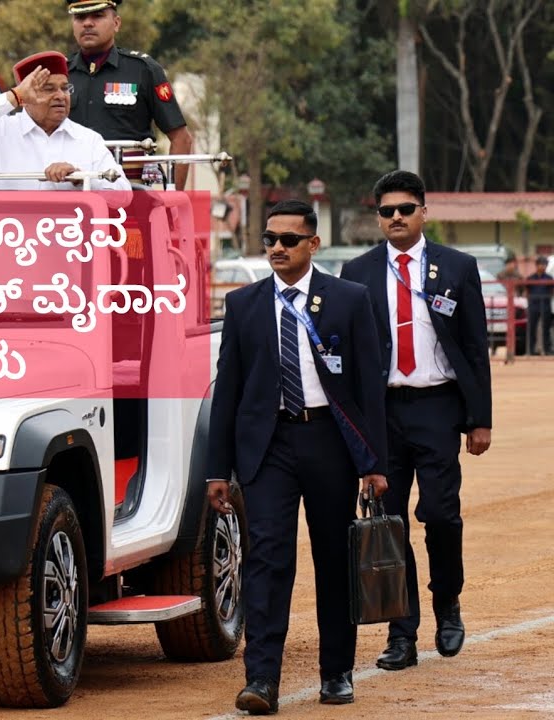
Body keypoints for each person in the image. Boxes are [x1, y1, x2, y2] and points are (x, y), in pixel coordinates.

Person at [208, 200, 388, 714]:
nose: (277, 249)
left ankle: (337, 673)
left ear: (313, 244)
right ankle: (261, 679)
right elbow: (229, 394)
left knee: (334, 557)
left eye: (288, 240)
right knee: (266, 560)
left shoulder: (349, 300)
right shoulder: (244, 304)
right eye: (269, 240)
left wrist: (374, 463)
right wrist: (218, 469)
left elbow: (368, 390)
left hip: (330, 441)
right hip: (269, 448)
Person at [340, 170, 491, 671]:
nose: (397, 218)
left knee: (442, 515)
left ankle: (447, 603)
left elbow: (474, 348)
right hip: (381, 414)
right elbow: (349, 353)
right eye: (388, 211)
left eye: (406, 209)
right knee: (389, 523)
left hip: (437, 406)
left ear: (424, 212)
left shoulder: (457, 267)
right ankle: (401, 633)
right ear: (378, 217)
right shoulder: (357, 272)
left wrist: (479, 419)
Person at [0, 52, 130, 191]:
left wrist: (81, 177)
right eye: (49, 89)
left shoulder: (88, 140)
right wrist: (15, 96)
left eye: (65, 88)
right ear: (26, 96)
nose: (60, 96)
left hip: (71, 234)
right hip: (10, 234)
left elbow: (123, 193)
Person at [64, 0, 194, 189]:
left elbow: (181, 138)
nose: (87, 23)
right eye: (80, 17)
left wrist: (174, 199)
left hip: (131, 190)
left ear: (116, 23)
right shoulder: (60, 73)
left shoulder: (144, 70)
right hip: (70, 190)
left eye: (97, 16)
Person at [525, 256, 551, 355]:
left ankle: (547, 350)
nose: (542, 266)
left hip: (545, 304)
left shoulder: (549, 278)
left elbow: (551, 291)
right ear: (537, 265)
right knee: (531, 328)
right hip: (533, 305)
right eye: (541, 264)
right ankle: (531, 350)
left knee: (546, 329)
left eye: (544, 264)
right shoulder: (531, 278)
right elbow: (527, 290)